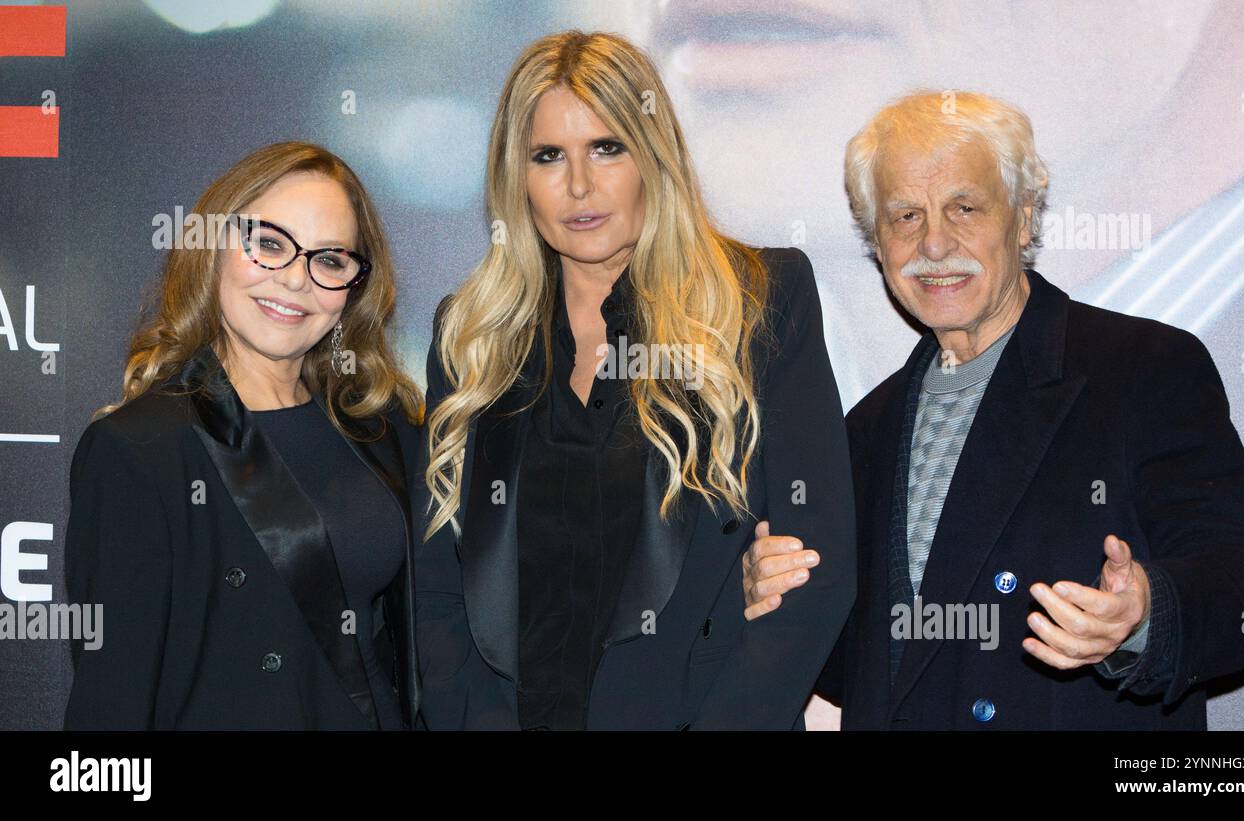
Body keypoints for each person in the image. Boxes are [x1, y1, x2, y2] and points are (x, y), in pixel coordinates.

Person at [743, 91, 1244, 729]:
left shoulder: (1144, 369)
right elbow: (868, 670)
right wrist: (781, 597)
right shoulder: (861, 434)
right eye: (905, 216)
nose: (935, 244)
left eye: (964, 208)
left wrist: (1143, 615)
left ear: (1024, 218)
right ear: (877, 242)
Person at [413, 30, 856, 730]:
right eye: (548, 156)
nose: (578, 185)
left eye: (607, 147)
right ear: (515, 176)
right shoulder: (473, 336)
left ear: (653, 156)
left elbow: (814, 572)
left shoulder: (759, 301)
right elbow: (437, 591)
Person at [63, 142, 424, 730]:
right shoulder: (140, 450)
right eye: (269, 244)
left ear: (354, 288)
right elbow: (110, 709)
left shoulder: (381, 429)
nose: (294, 281)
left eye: (330, 260)